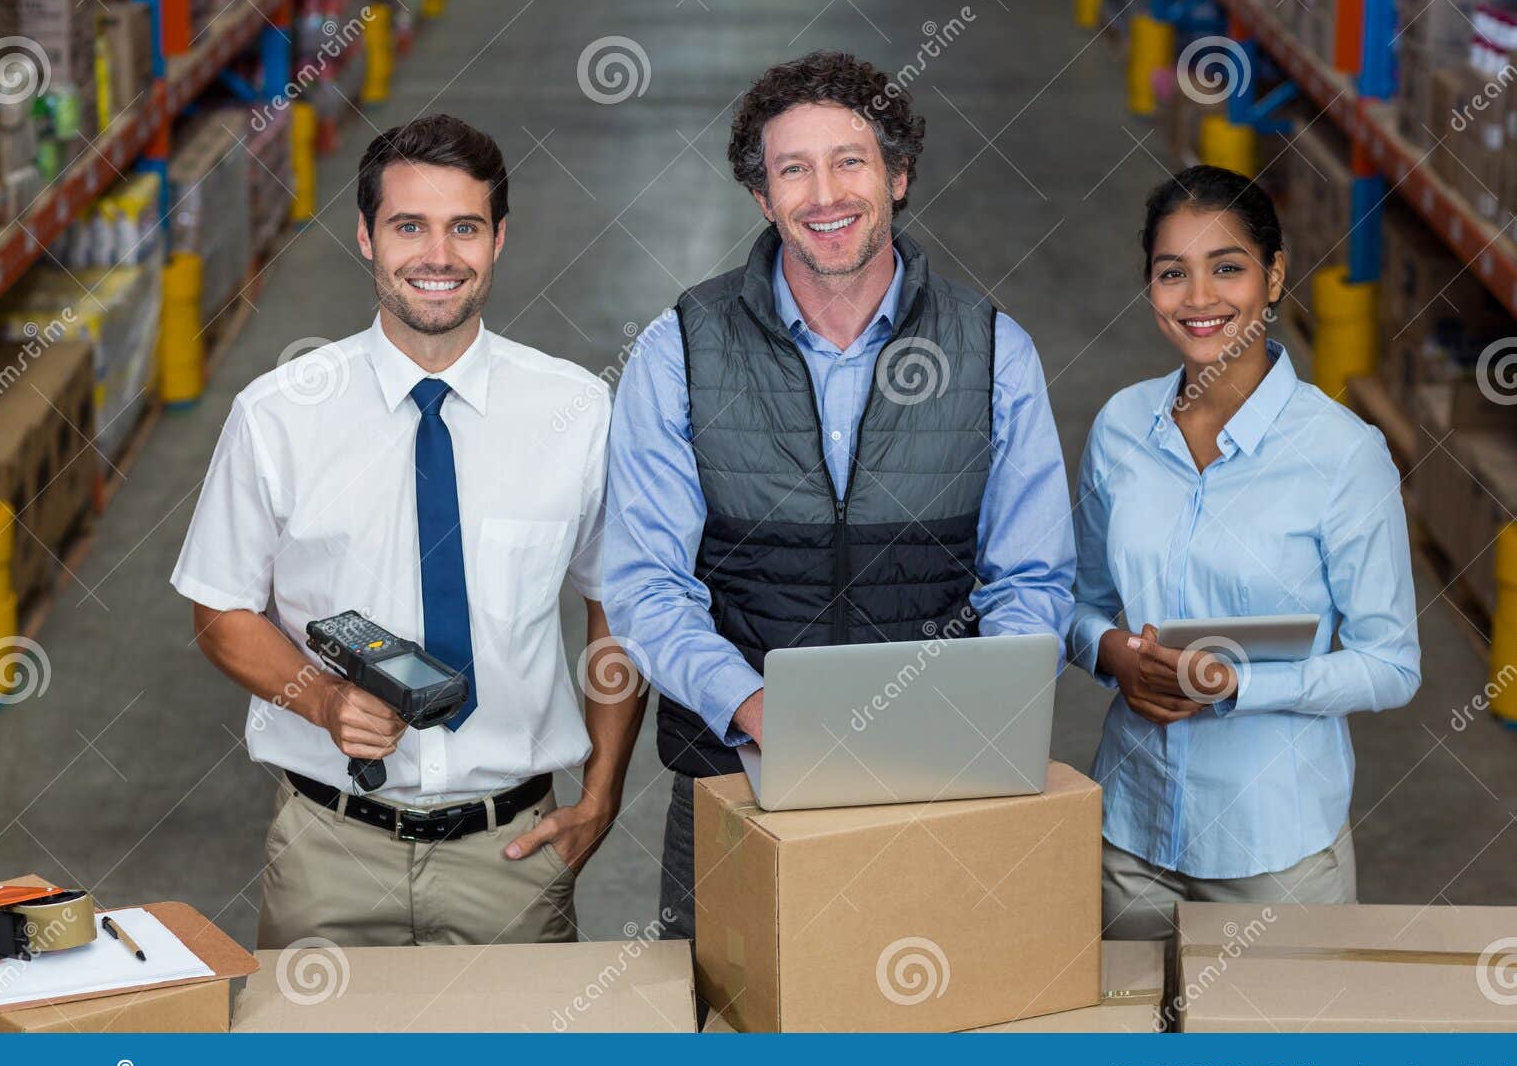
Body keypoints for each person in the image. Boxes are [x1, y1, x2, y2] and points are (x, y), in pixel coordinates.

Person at [603, 51, 1076, 944]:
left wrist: (965, 718)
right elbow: (644, 585)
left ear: (897, 176)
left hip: (939, 792)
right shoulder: (680, 352)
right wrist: (754, 709)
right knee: (727, 1042)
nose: (824, 194)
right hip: (734, 786)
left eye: (850, 161)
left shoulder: (992, 352)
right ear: (762, 196)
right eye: (793, 169)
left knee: (927, 1045)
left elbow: (1034, 580)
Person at [170, 114, 644, 949]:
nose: (437, 255)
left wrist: (602, 792)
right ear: (365, 236)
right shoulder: (279, 415)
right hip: (329, 851)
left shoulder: (578, 412)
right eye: (408, 226)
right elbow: (220, 610)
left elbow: (619, 607)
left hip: (511, 853)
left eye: (464, 227)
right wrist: (320, 698)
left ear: (499, 238)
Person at [1067, 165, 1421, 941]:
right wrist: (1111, 652)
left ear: (1274, 275)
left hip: (1275, 855)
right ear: (1150, 288)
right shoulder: (1122, 428)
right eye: (1172, 273)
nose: (1199, 299)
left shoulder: (1342, 454)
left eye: (1227, 267)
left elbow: (1391, 664)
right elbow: (1077, 598)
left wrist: (1239, 686)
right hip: (1128, 835)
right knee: (1128, 1060)